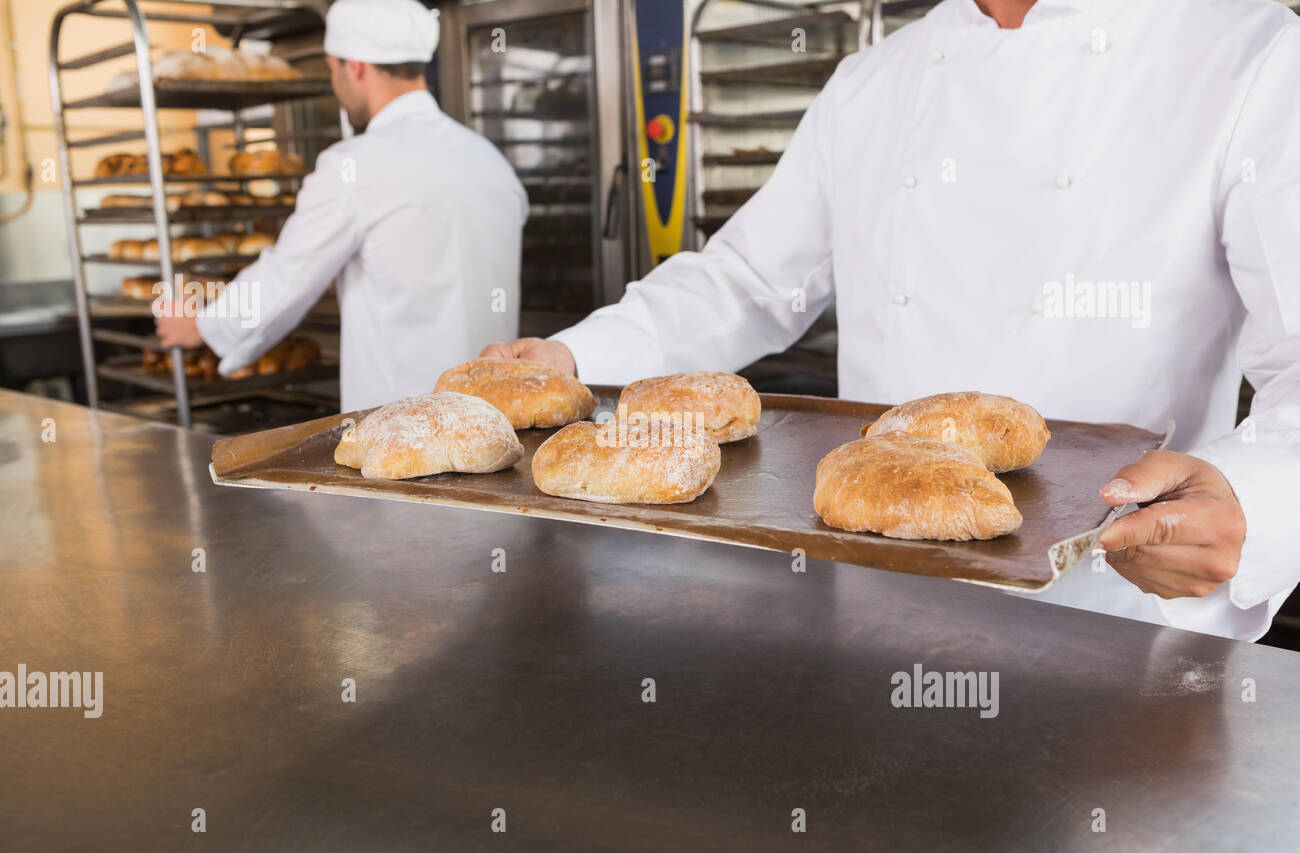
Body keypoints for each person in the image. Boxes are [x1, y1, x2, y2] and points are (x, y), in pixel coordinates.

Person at [482, 0, 1300, 642]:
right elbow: (750, 279)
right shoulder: (875, 77)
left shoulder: (1249, 53)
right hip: (878, 600)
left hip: (1117, 613)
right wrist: (571, 357)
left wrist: (1253, 501)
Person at [158, 0, 527, 412]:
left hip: (400, 432)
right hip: (491, 419)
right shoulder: (489, 160)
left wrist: (206, 325)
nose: (336, 83)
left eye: (333, 69)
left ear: (356, 68)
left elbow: (289, 275)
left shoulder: (353, 167)